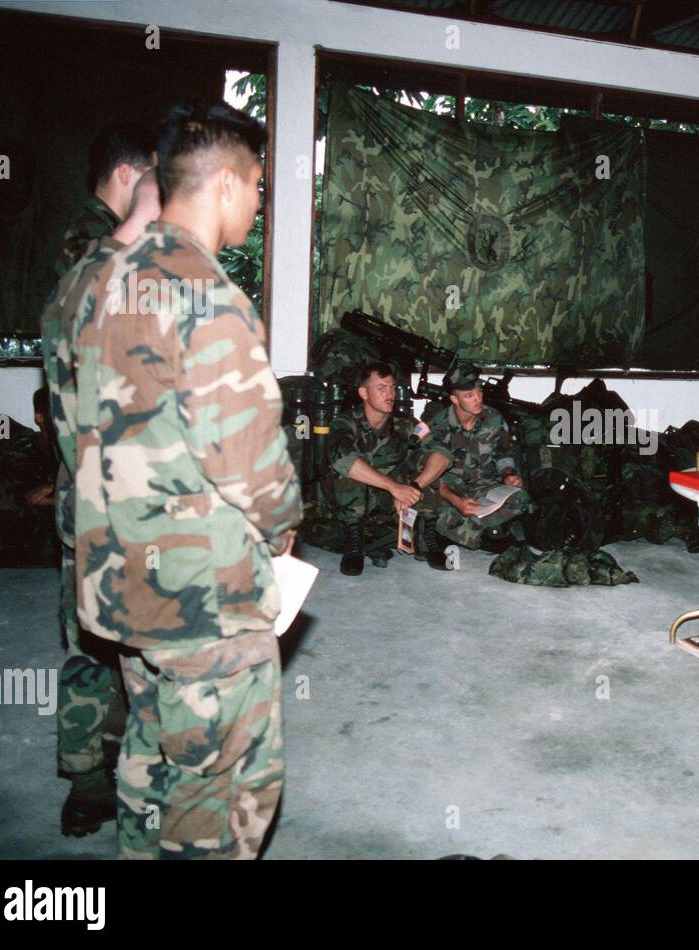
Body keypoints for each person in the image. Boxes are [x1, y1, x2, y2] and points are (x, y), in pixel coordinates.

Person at [72, 101, 300, 859]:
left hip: (122, 580)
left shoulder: (107, 280)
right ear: (229, 185)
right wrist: (284, 525)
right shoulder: (209, 296)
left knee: (151, 757)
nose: (261, 202)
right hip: (202, 598)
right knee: (227, 784)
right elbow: (249, 463)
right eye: (261, 185)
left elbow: (78, 424)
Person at [41, 170, 161, 837]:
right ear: (130, 172)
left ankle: (99, 777)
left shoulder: (93, 252)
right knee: (108, 649)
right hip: (106, 499)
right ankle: (96, 780)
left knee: (99, 645)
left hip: (95, 498)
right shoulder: (96, 251)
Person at [413, 364, 532, 557]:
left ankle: (459, 530)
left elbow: (504, 452)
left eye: (479, 392)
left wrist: (508, 474)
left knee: (521, 498)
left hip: (482, 486)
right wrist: (456, 500)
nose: (477, 399)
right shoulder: (434, 426)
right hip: (446, 490)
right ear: (454, 399)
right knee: (429, 505)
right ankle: (479, 533)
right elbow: (426, 474)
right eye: (469, 395)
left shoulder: (494, 418)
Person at [322, 361, 428, 576]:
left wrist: (414, 486)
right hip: (350, 500)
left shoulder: (405, 423)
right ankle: (354, 542)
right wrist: (395, 488)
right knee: (349, 473)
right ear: (363, 393)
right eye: (381, 388)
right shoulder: (345, 422)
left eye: (392, 388)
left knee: (426, 465)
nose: (390, 394)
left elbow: (439, 452)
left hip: (386, 502)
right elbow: (343, 459)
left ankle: (426, 533)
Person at [53, 123, 156, 279]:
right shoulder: (88, 237)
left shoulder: (105, 230)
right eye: (153, 176)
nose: (160, 186)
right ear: (125, 174)